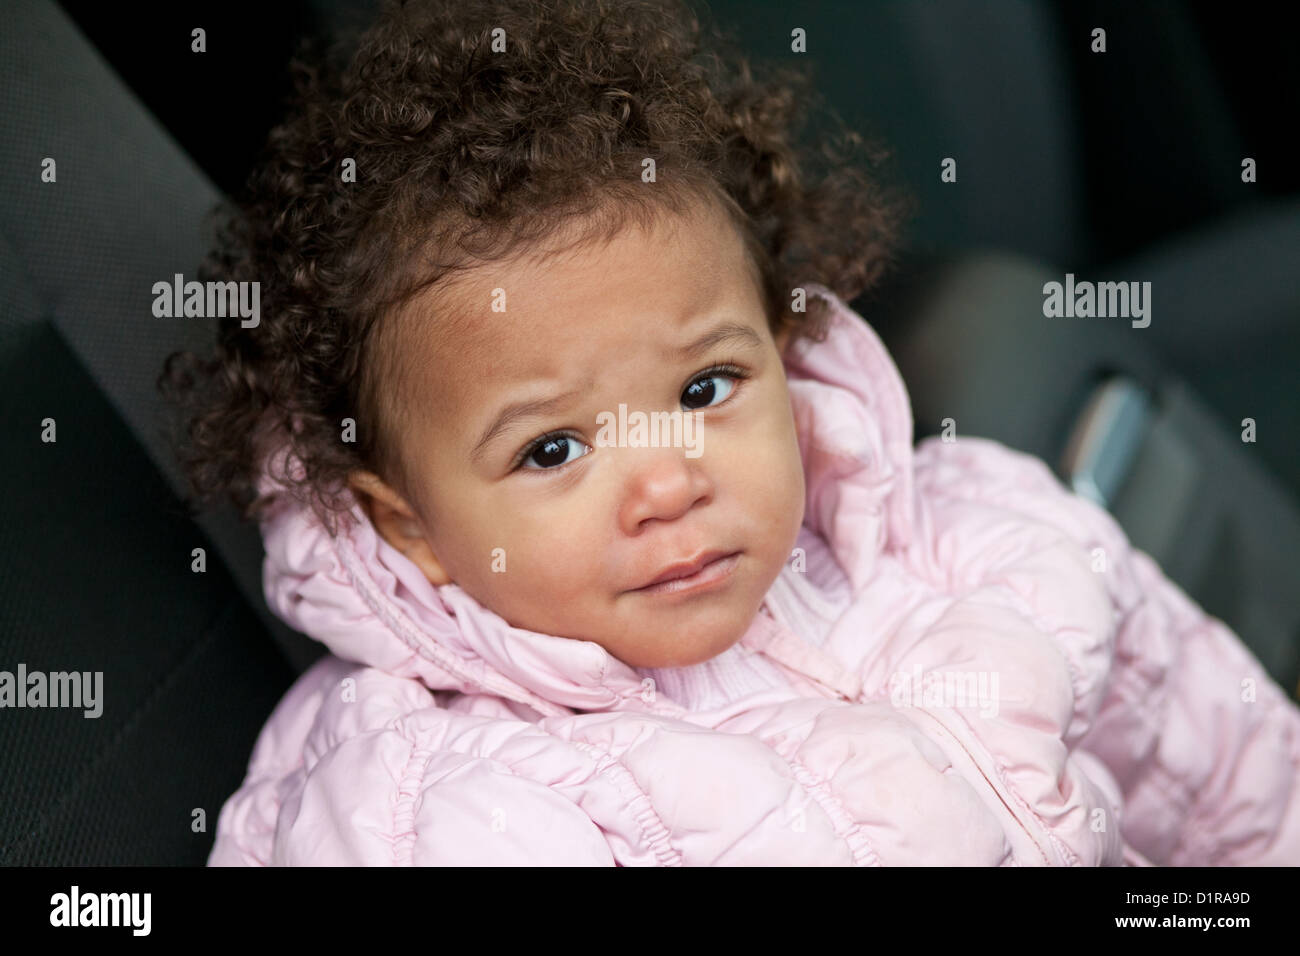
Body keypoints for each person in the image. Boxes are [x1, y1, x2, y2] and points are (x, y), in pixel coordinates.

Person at [162, 0, 1300, 865]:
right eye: (552, 449)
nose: (669, 479)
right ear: (408, 525)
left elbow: (1235, 776)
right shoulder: (430, 802)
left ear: (783, 347)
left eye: (706, 387)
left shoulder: (977, 531)